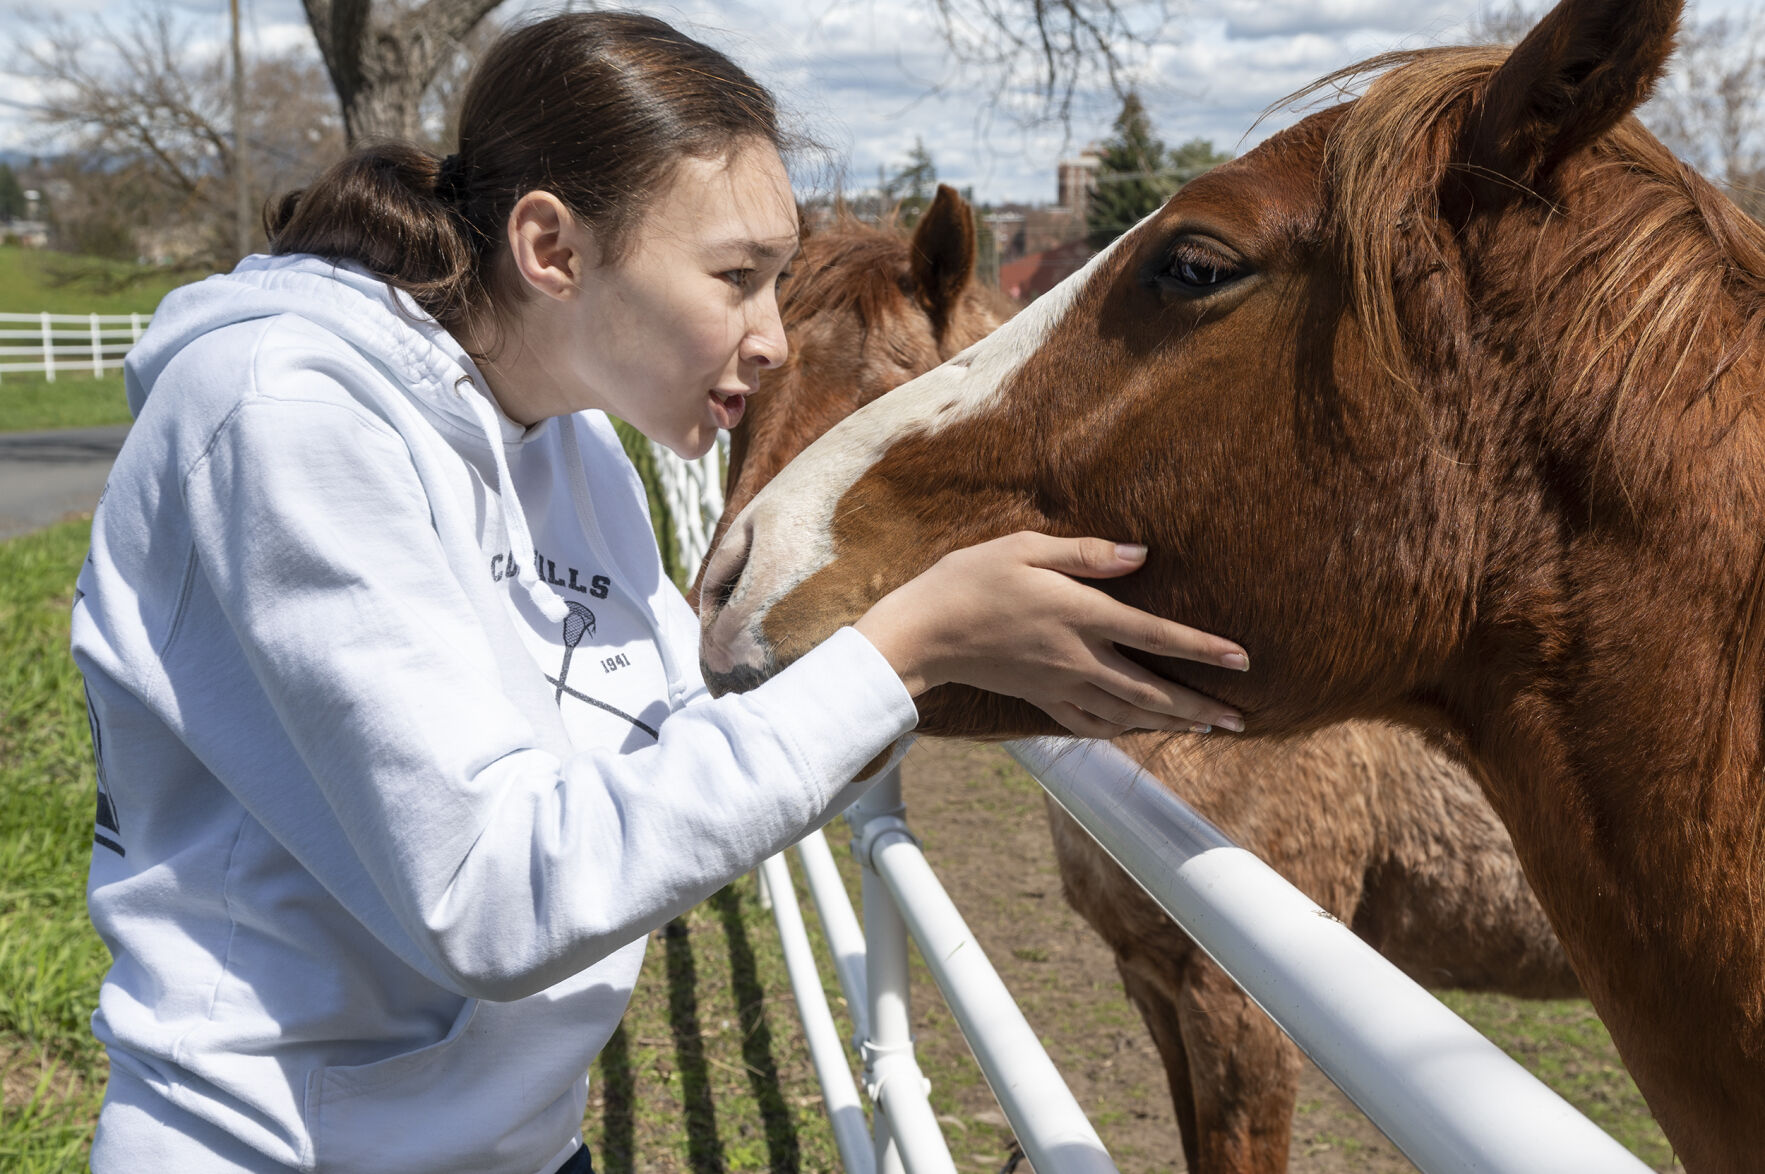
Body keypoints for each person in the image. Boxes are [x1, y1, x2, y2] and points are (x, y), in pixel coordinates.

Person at [71, 11, 1248, 1173]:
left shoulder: (578, 454)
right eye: (737, 277)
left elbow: (672, 767)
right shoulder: (281, 414)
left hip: (521, 1144)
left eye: (778, 281)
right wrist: (903, 649)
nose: (775, 337)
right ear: (553, 249)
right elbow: (492, 895)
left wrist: (950, 649)